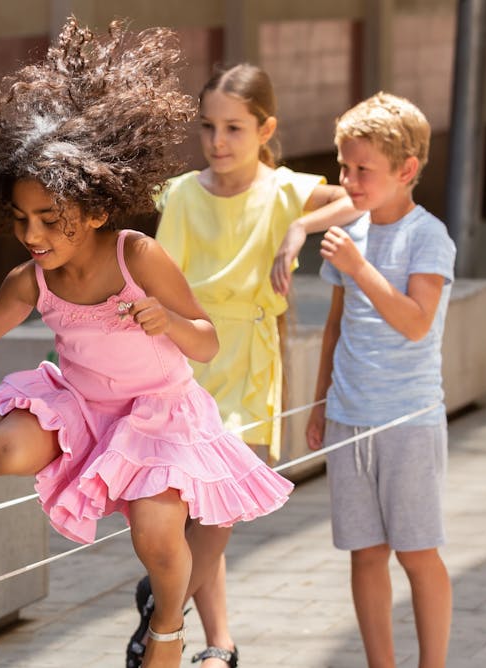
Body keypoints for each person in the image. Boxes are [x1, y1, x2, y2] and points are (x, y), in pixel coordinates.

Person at [0, 19, 293, 668]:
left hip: (158, 414)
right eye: (22, 220)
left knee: (159, 537)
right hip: (84, 409)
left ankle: (167, 630)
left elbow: (207, 343)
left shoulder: (138, 255)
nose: (33, 235)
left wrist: (166, 323)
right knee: (1, 452)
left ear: (95, 209)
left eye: (49, 221)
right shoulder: (33, 279)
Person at [148, 63, 361, 667]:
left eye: (235, 128)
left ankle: (164, 608)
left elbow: (358, 197)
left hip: (248, 360)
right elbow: (158, 275)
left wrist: (298, 228)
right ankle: (220, 644)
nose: (219, 142)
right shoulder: (184, 192)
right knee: (197, 508)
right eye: (209, 127)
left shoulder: (285, 189)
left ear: (266, 129)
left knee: (222, 504)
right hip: (182, 358)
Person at [307, 93, 454, 668]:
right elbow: (336, 327)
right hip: (349, 416)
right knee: (364, 555)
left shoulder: (428, 237)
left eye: (361, 169)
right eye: (343, 166)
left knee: (417, 554)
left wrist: (359, 267)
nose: (347, 179)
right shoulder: (352, 235)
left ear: (406, 171)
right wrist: (321, 401)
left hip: (408, 422)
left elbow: (416, 323)